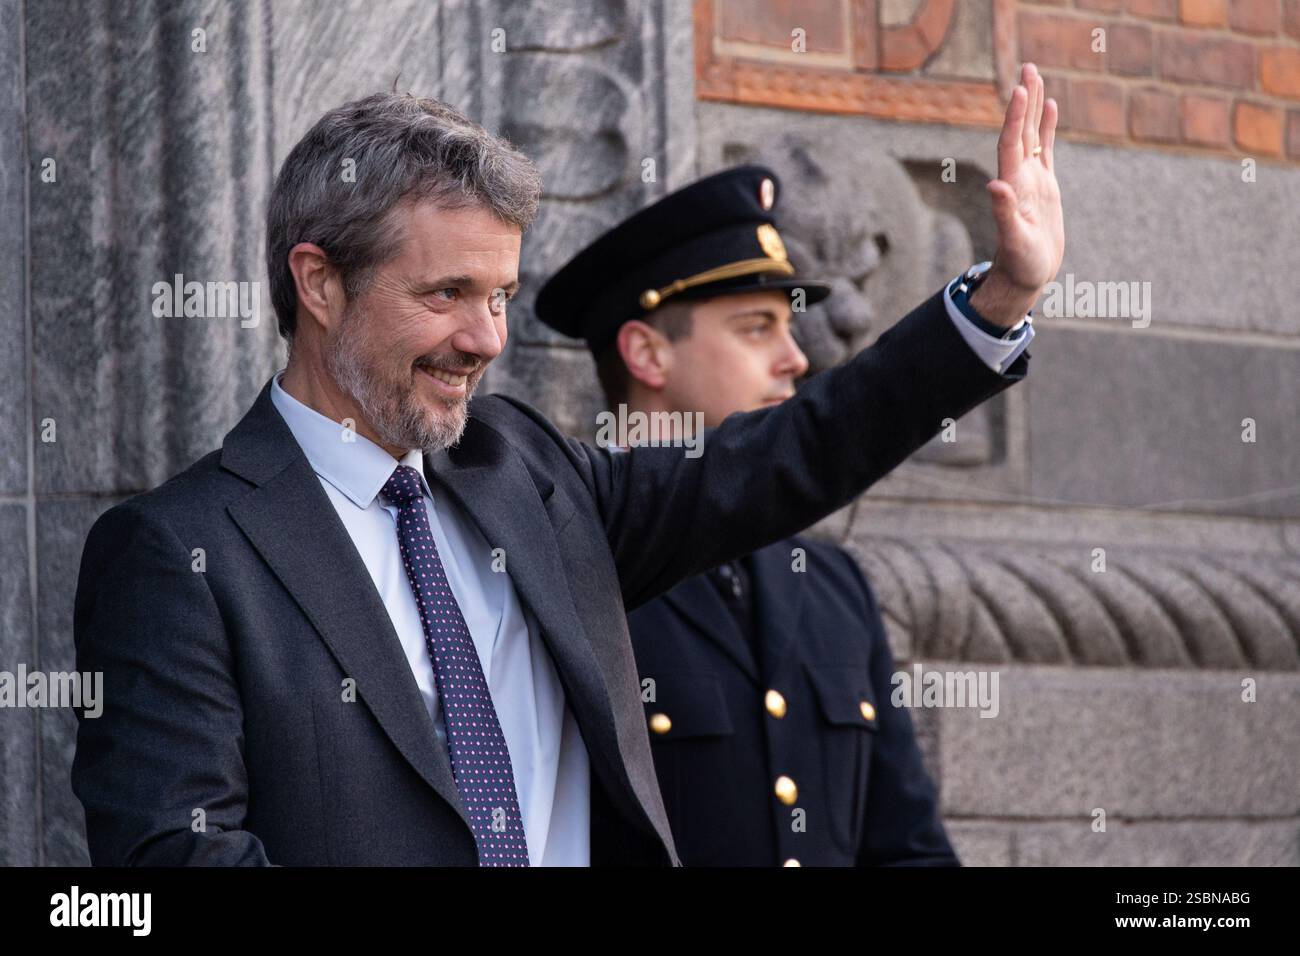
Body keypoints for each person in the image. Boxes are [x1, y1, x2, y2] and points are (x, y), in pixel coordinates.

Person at [71, 65, 1062, 866]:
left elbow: (789, 452)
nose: (484, 338)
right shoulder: (180, 551)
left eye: (499, 295)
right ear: (320, 281)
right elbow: (170, 856)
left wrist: (996, 300)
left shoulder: (529, 474)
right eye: (447, 292)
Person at [535, 164, 1013, 866]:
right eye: (758, 328)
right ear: (646, 352)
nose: (796, 358)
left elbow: (905, 849)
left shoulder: (833, 586)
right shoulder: (566, 565)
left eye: (790, 328)